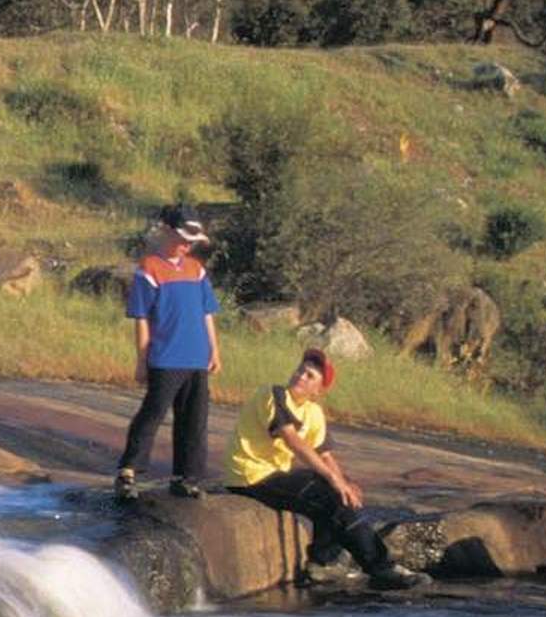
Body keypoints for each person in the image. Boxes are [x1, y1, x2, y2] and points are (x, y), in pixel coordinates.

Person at [227, 348, 430, 591]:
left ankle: (322, 563)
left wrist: (345, 482)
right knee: (329, 492)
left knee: (341, 493)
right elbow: (293, 440)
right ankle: (381, 567)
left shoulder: (313, 412)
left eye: (310, 376)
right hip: (251, 475)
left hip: (275, 474)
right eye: (301, 370)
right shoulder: (274, 394)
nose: (301, 376)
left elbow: (325, 454)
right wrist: (333, 479)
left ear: (318, 390)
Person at [114, 206, 220, 504]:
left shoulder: (196, 269)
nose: (188, 244)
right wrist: (141, 359)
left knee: (195, 419)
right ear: (168, 231)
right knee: (153, 414)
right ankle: (128, 471)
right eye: (185, 237)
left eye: (193, 240)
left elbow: (207, 313)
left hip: (197, 355)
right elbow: (141, 318)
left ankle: (186, 477)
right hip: (166, 356)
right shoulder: (149, 268)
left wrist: (215, 349)